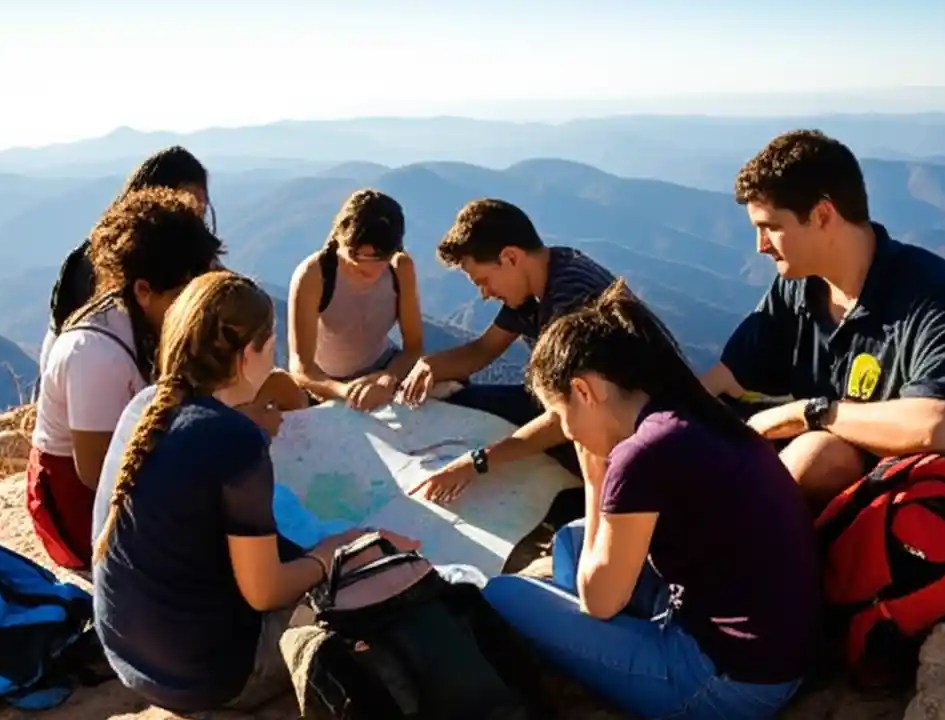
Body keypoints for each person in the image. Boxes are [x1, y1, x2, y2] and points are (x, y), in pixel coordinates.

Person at [482, 280, 821, 719]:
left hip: (724, 682)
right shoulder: (688, 412)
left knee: (502, 594)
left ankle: (622, 660)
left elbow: (599, 603)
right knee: (570, 543)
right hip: (777, 647)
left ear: (585, 391)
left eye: (563, 416)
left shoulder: (640, 455)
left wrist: (593, 481)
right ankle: (617, 648)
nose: (568, 433)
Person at [91, 270, 419, 714]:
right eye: (270, 344)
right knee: (368, 586)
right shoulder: (234, 443)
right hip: (208, 676)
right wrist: (334, 551)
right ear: (249, 354)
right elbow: (265, 593)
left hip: (129, 655)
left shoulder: (151, 406)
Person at [701, 129, 945, 509]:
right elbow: (719, 384)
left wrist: (811, 413)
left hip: (906, 509)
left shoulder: (929, 290)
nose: (761, 246)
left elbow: (943, 426)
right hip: (805, 503)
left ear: (822, 215)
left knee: (816, 455)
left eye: (771, 227)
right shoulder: (796, 290)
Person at [27, 187, 223, 570]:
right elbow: (95, 471)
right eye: (186, 293)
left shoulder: (144, 318)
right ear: (143, 290)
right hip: (78, 505)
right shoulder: (94, 353)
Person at [399, 198, 616, 506]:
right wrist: (430, 366)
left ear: (510, 257)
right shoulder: (533, 287)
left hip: (611, 427)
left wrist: (477, 462)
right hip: (563, 406)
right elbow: (484, 349)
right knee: (461, 401)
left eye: (484, 281)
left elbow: (571, 415)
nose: (485, 294)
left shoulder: (574, 302)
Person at [37, 145, 214, 386]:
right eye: (187, 200)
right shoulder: (99, 265)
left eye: (201, 206)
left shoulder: (186, 254)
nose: (195, 213)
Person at [288, 189, 424, 411]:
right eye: (357, 257)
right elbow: (302, 367)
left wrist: (388, 378)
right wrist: (345, 391)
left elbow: (414, 348)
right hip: (327, 383)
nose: (371, 268)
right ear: (340, 241)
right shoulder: (315, 275)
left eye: (382, 257)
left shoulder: (401, 268)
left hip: (385, 367)